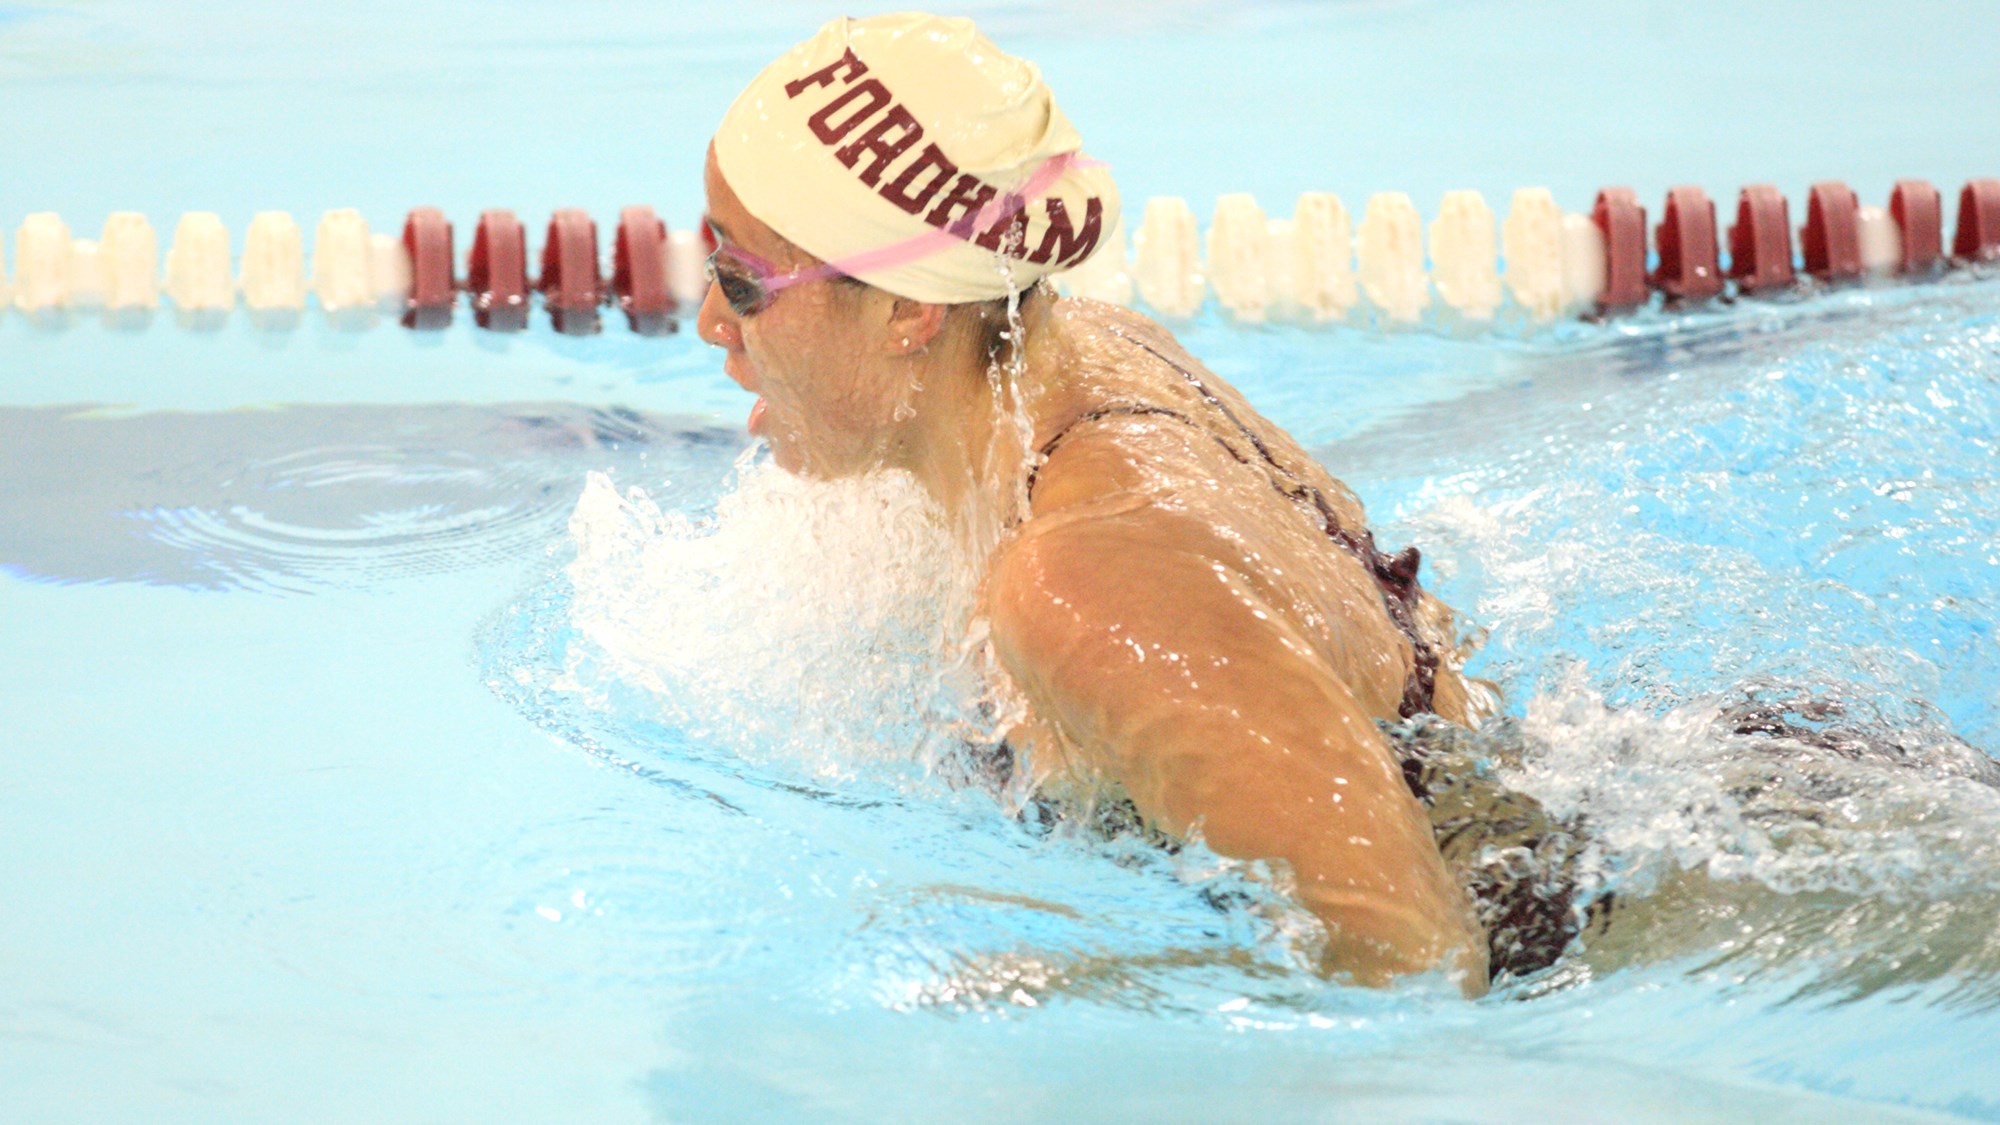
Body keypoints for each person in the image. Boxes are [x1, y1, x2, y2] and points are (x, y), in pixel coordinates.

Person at [696, 13, 1498, 992]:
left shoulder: (1086, 580)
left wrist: (1055, 990)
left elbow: (1412, 958)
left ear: (908, 309)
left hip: (1560, 945)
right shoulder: (1088, 351)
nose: (707, 323)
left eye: (740, 282)